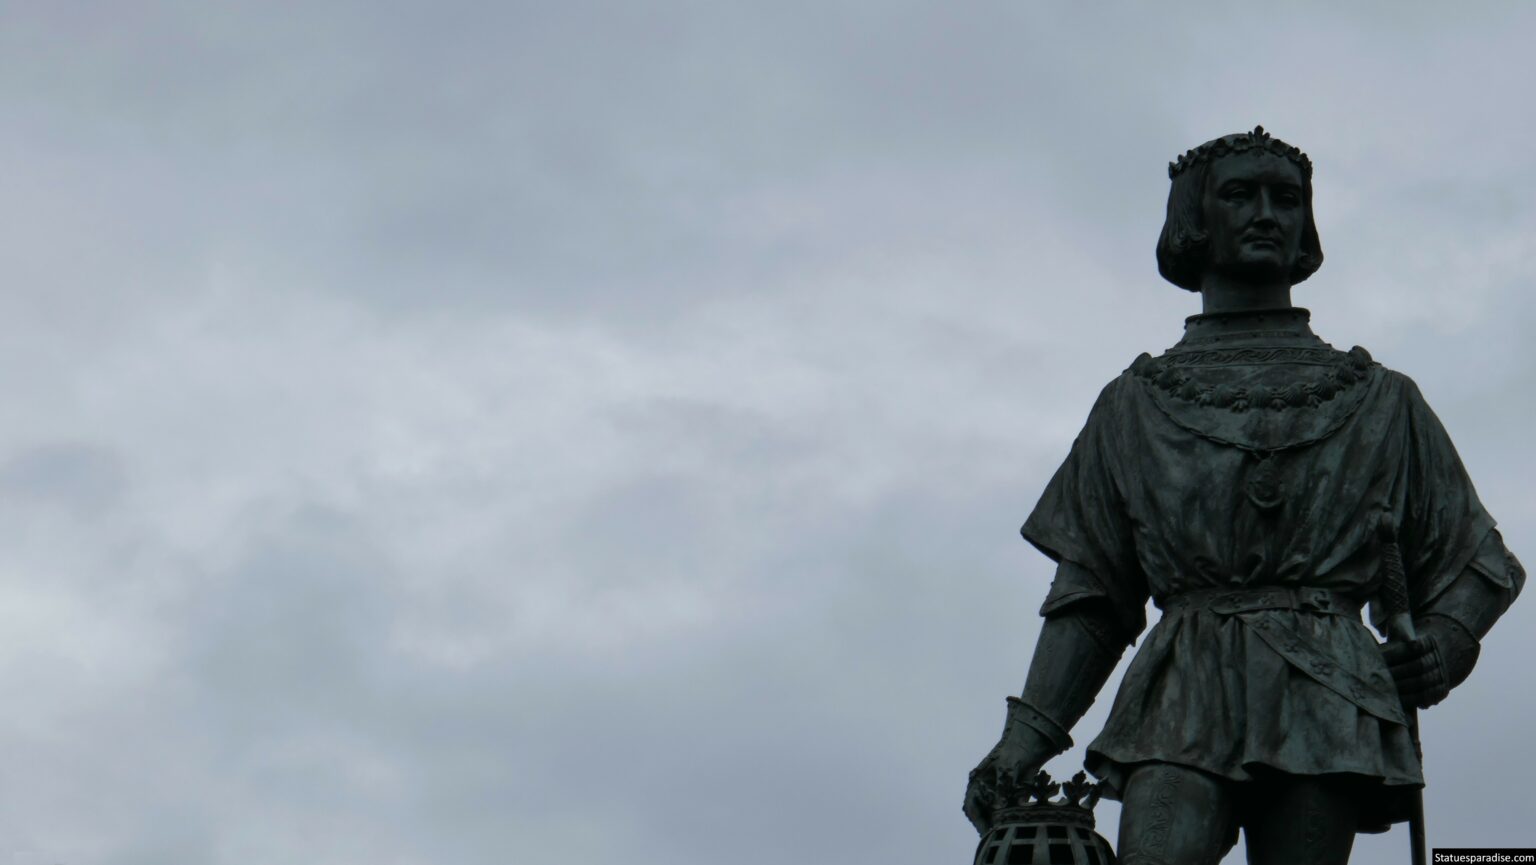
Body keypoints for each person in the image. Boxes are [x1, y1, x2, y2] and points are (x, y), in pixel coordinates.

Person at [961, 127, 1524, 865]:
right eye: (1240, 195)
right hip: (1178, 690)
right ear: (1194, 220)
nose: (1267, 214)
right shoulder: (1133, 405)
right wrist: (1024, 739)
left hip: (1331, 695)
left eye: (1285, 199)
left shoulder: (1384, 400)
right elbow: (1095, 594)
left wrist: (1445, 645)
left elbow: (1478, 561)